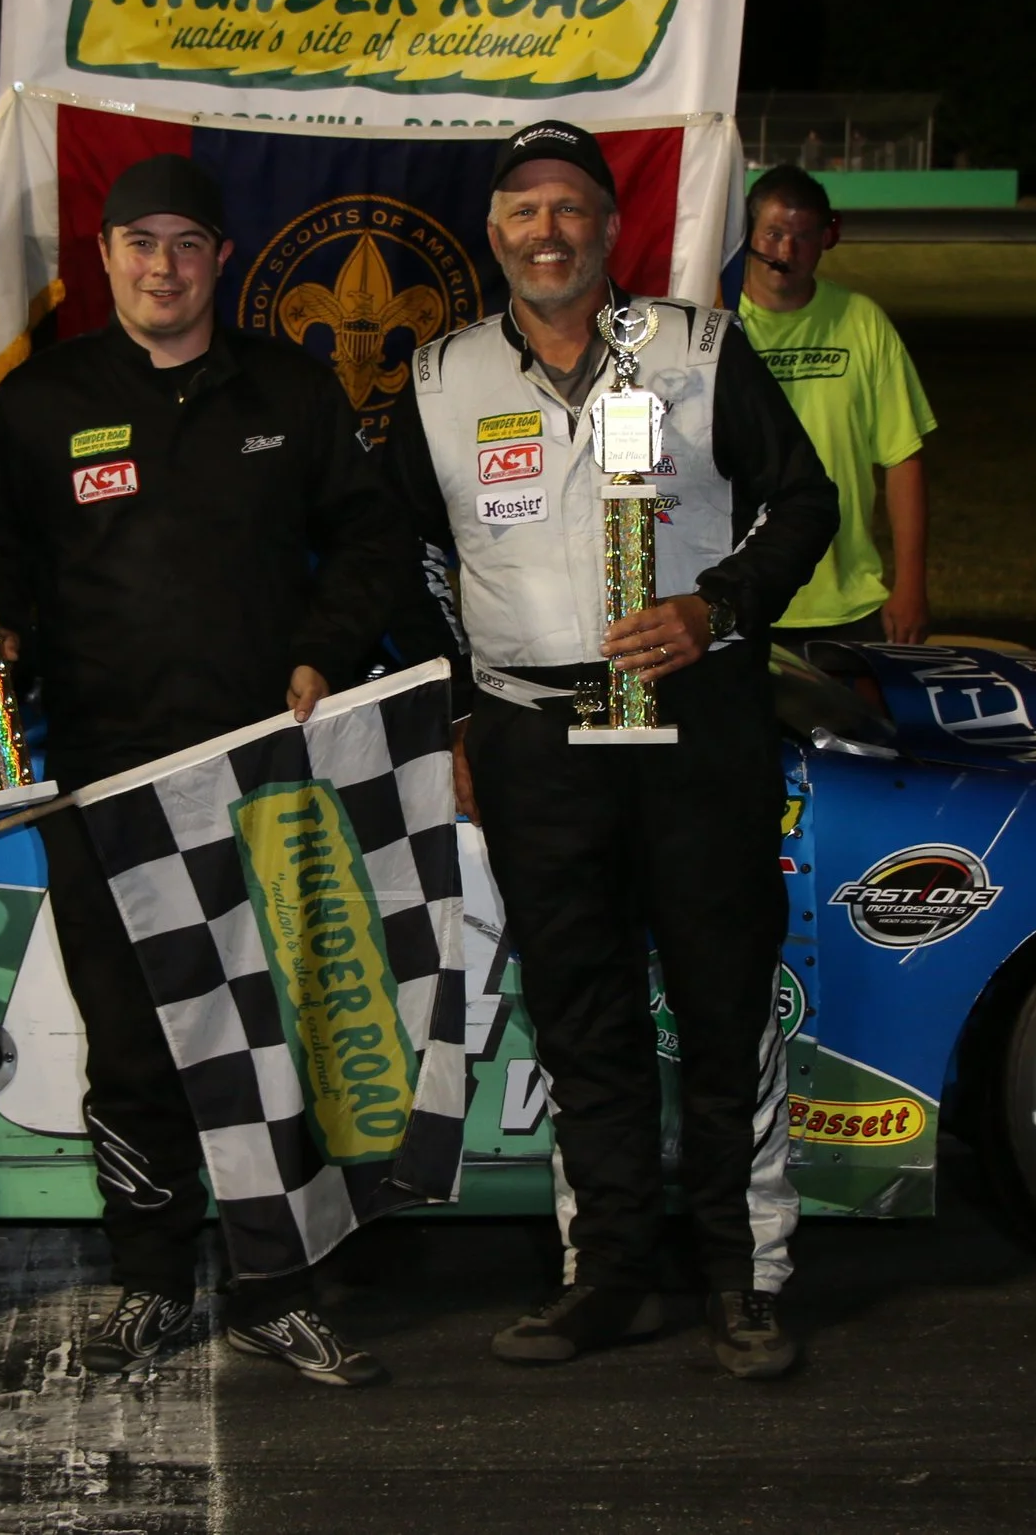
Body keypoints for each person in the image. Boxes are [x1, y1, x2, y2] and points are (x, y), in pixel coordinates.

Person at [386, 121, 838, 1380]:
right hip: (538, 739)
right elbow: (415, 564)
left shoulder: (696, 348)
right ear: (494, 232)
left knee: (721, 997)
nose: (547, 231)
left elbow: (803, 501)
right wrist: (465, 717)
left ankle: (740, 1279)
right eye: (523, 209)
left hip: (694, 726)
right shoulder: (439, 380)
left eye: (571, 208)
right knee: (581, 1012)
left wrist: (720, 605)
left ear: (610, 229)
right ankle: (608, 1274)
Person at [0, 154, 414, 1387]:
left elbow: (374, 533)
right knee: (133, 1047)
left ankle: (280, 1284)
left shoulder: (288, 386)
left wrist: (325, 649)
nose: (161, 265)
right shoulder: (37, 403)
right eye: (138, 243)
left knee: (274, 1035)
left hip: (262, 769)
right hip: (100, 786)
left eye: (185, 244)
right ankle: (153, 1280)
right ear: (102, 257)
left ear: (221, 257)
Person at [737, 165, 938, 648]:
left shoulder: (862, 321)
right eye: (774, 233)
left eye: (804, 236)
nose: (787, 252)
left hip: (847, 601)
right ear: (748, 235)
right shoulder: (715, 327)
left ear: (829, 237)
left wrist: (910, 586)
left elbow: (902, 458)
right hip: (738, 594)